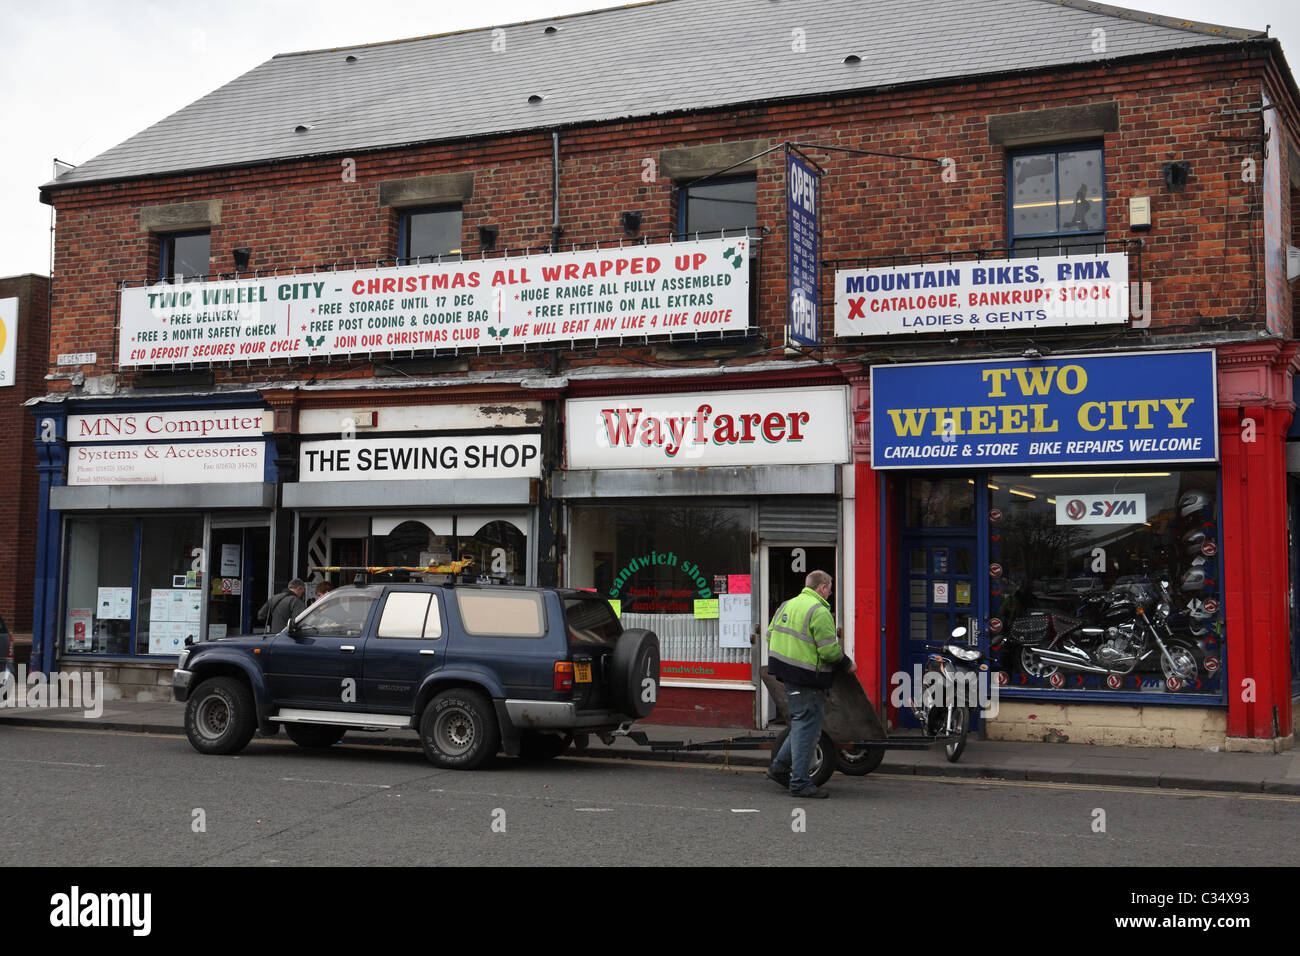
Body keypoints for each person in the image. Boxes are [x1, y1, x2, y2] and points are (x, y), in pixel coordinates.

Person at [765, 570, 855, 798]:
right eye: (830, 589)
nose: (831, 593)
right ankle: (800, 783)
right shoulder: (819, 610)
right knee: (807, 730)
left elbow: (769, 635)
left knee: (800, 726)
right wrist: (847, 664)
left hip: (787, 676)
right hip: (807, 679)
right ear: (822, 587)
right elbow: (828, 652)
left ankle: (779, 768)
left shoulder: (787, 605)